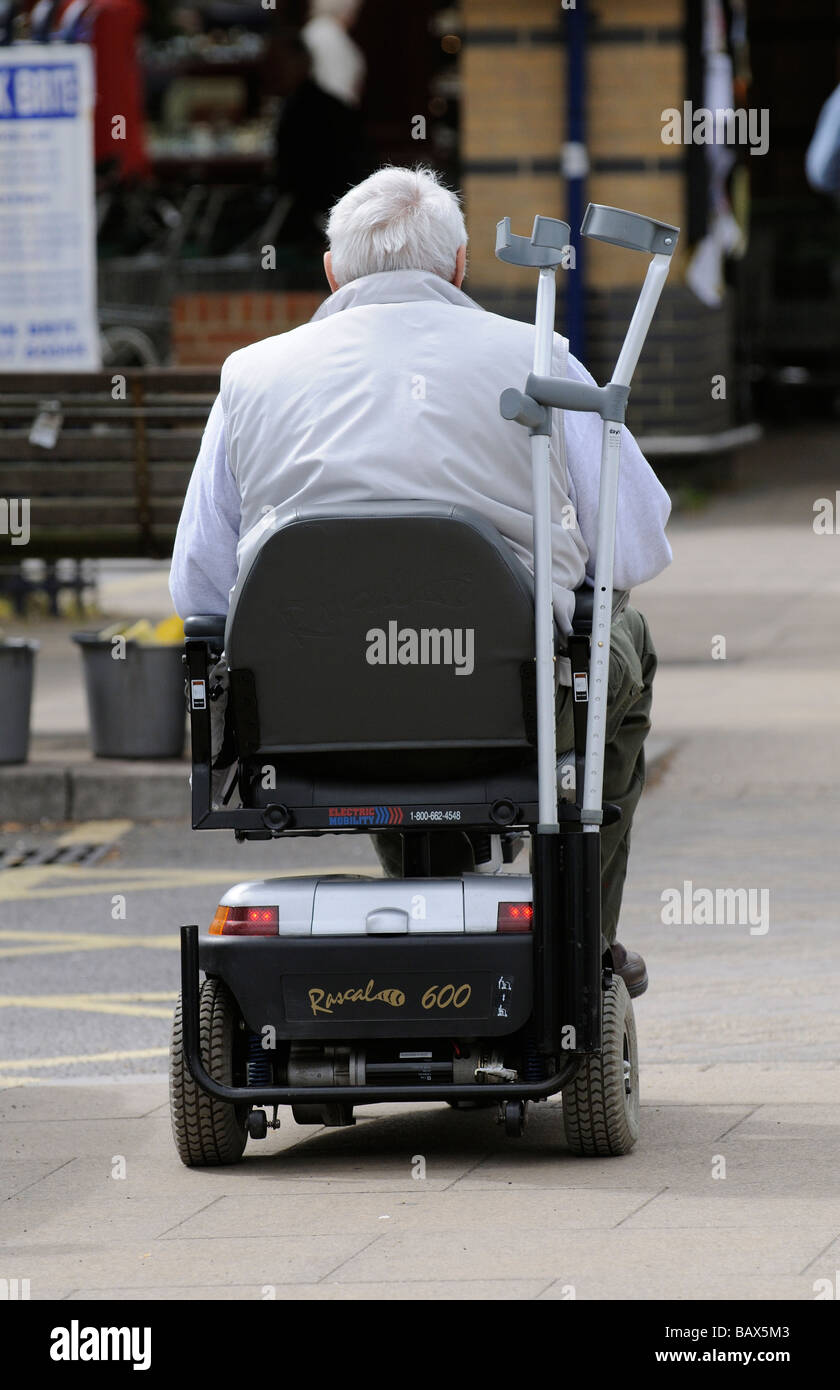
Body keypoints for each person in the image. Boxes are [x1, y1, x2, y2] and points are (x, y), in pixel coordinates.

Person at [169, 166, 672, 997]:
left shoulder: (250, 374)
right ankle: (589, 942)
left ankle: (426, 914)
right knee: (624, 644)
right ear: (462, 267)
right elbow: (635, 545)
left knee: (379, 680)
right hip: (503, 700)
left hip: (310, 714)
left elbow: (200, 589)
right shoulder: (535, 356)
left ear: (332, 272)